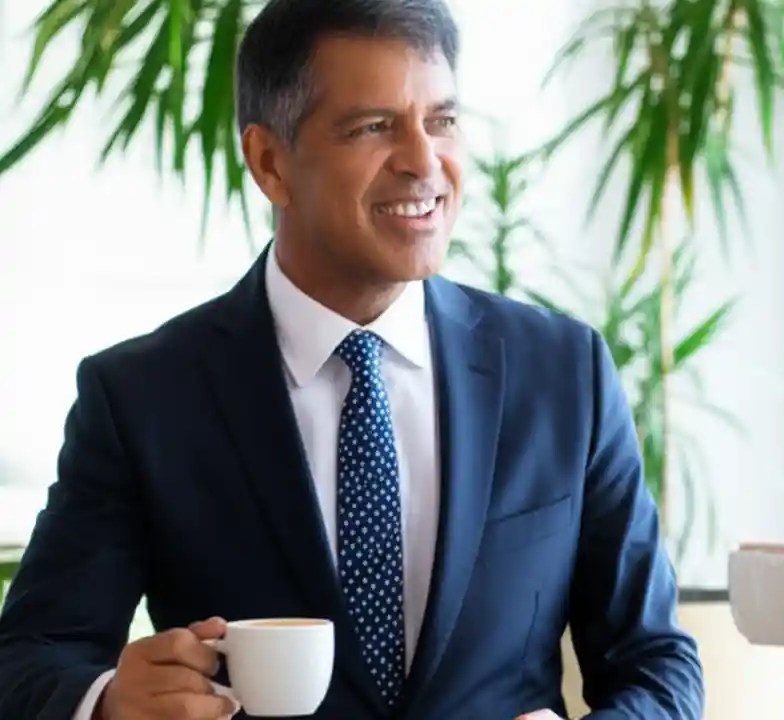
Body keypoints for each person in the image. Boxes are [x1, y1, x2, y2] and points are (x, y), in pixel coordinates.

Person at [0, 0, 704, 718]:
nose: (425, 162)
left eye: (442, 121)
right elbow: (29, 658)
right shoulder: (142, 396)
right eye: (373, 127)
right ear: (270, 162)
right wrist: (111, 701)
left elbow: (656, 662)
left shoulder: (563, 372)